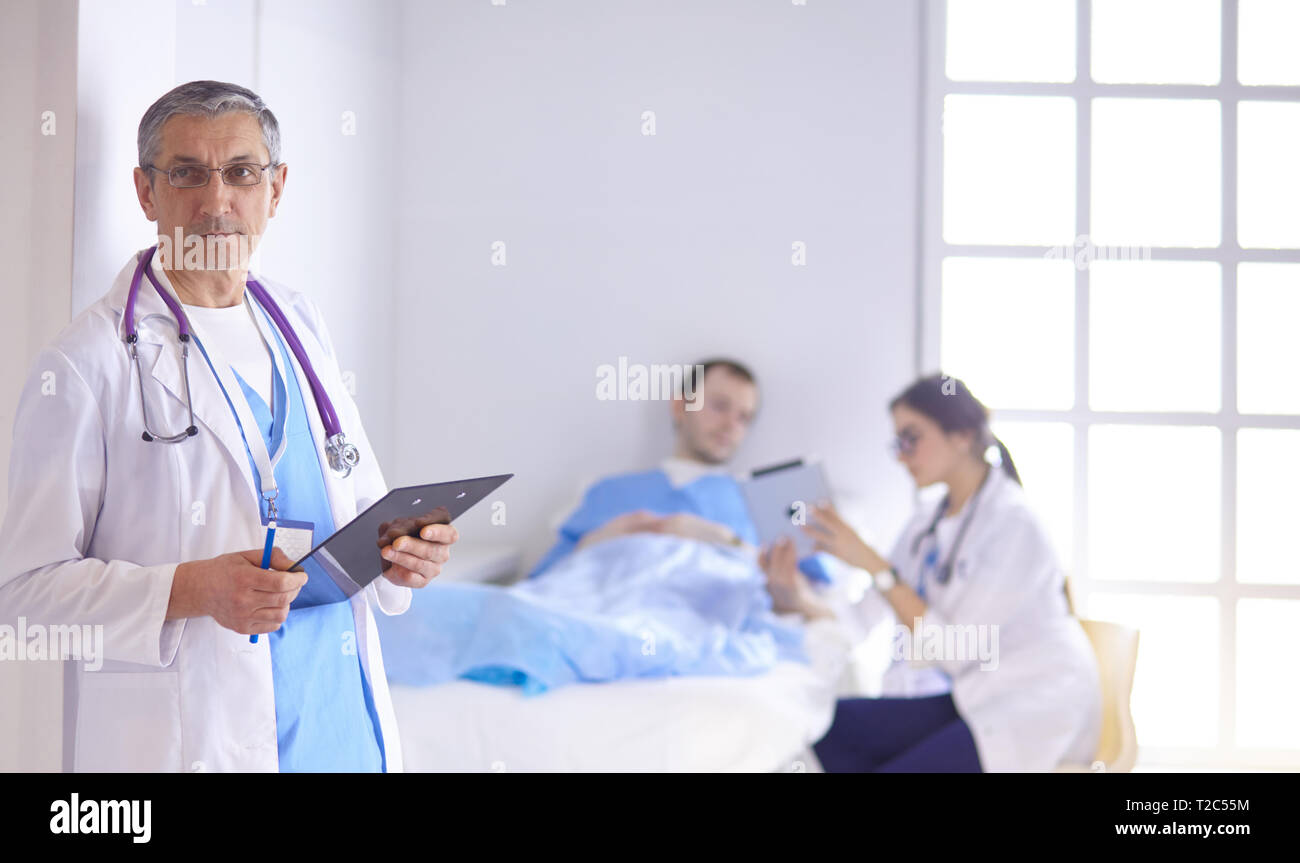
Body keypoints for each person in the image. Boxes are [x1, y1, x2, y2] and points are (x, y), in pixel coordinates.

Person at [0, 81, 456, 772]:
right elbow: (23, 597)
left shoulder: (300, 325)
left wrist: (404, 553)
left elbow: (363, 511)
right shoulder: (88, 362)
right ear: (146, 193)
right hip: (197, 747)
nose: (216, 203)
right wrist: (193, 589)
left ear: (275, 190)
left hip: (342, 738)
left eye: (241, 173)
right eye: (186, 173)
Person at [760, 373, 1101, 772]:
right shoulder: (925, 524)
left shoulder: (1013, 525)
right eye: (897, 443)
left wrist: (874, 564)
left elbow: (956, 651)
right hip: (978, 697)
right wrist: (793, 593)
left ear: (961, 435)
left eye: (912, 437)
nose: (901, 455)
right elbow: (857, 621)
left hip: (1036, 703)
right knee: (829, 730)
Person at [527, 359, 829, 582]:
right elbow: (540, 584)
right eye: (719, 406)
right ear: (680, 407)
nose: (730, 426)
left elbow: (805, 596)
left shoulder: (763, 501)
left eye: (744, 417)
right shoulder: (609, 492)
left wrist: (725, 541)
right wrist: (606, 537)